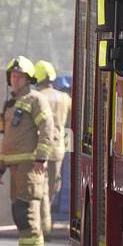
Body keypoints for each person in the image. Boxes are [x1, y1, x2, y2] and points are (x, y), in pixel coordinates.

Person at [0, 56, 57, 246]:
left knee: (26, 209)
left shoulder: (36, 99)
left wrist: (41, 157)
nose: (15, 79)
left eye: (19, 76)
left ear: (29, 78)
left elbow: (47, 129)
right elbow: (8, 137)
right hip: (14, 165)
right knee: (21, 209)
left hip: (30, 164)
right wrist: (0, 165)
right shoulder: (10, 103)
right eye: (12, 76)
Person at [33, 59, 72, 236]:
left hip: (39, 148)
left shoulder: (36, 97)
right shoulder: (65, 98)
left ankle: (42, 226)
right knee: (53, 186)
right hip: (58, 150)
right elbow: (71, 124)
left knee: (39, 188)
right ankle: (46, 223)